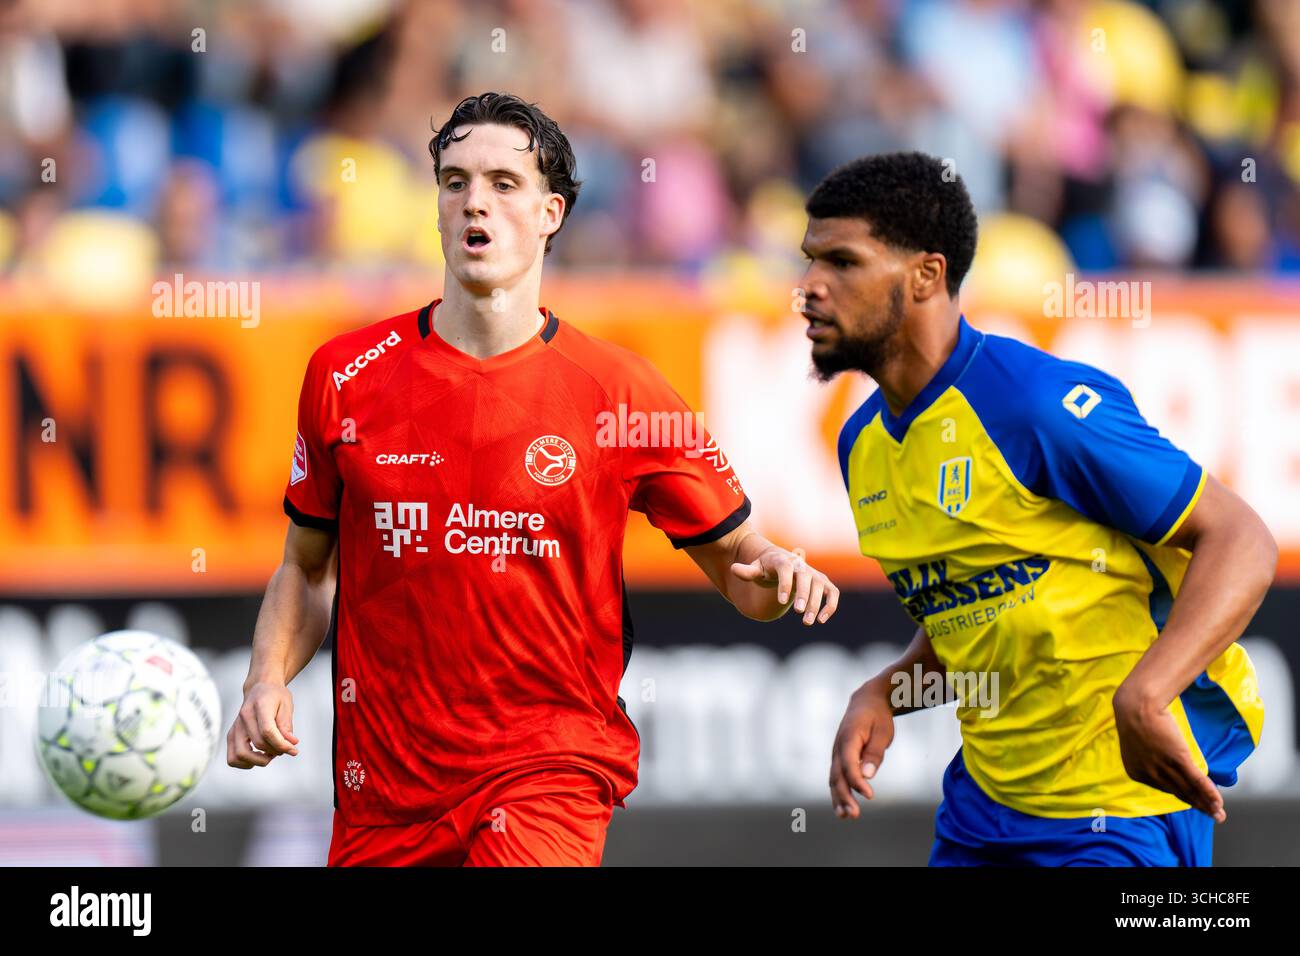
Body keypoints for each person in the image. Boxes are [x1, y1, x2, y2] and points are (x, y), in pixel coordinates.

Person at [226, 92, 840, 867]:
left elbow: (743, 574)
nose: (474, 201)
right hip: (385, 797)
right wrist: (263, 682)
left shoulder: (621, 390)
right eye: (454, 182)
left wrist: (778, 569)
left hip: (549, 770)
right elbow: (307, 568)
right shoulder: (345, 375)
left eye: (502, 183)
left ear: (551, 211)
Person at [806, 151, 1275, 866]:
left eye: (841, 262)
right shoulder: (860, 444)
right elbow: (977, 617)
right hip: (980, 818)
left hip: (1117, 816)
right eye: (809, 261)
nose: (808, 288)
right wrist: (886, 691)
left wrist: (1148, 693)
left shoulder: (1033, 406)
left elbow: (1242, 538)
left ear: (927, 275)